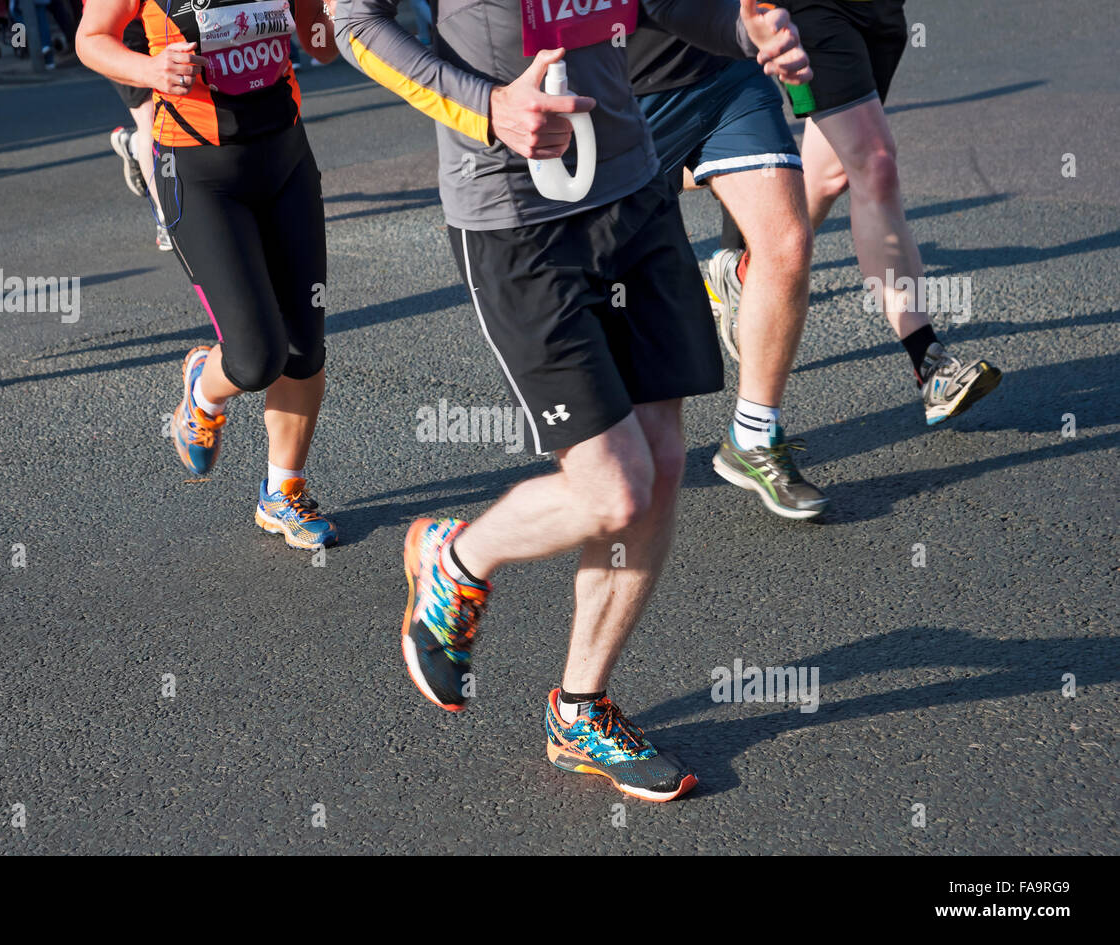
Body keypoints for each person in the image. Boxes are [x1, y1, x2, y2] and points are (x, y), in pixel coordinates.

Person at [332, 0, 810, 799]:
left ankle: (582, 709)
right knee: (613, 490)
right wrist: (488, 105)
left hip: (633, 189)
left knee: (662, 461)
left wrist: (741, 32)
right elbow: (352, 22)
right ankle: (457, 559)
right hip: (515, 218)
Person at [78, 0, 342, 549]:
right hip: (198, 173)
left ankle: (282, 493)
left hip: (286, 158)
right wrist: (150, 69)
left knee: (304, 345)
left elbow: (321, 46)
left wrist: (333, 13)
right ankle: (202, 388)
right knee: (255, 359)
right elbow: (91, 38)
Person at [710, 0, 1002, 426]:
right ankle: (930, 363)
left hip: (879, 9)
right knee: (874, 164)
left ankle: (745, 273)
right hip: (811, 9)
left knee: (832, 173)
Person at [630, 7, 827, 520]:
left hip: (727, 73)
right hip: (622, 90)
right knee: (603, 274)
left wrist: (771, 31)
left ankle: (754, 436)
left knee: (787, 242)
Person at [105, 16, 170, 250]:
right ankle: (166, 218)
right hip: (123, 31)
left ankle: (134, 146)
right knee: (151, 119)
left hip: (165, 21)